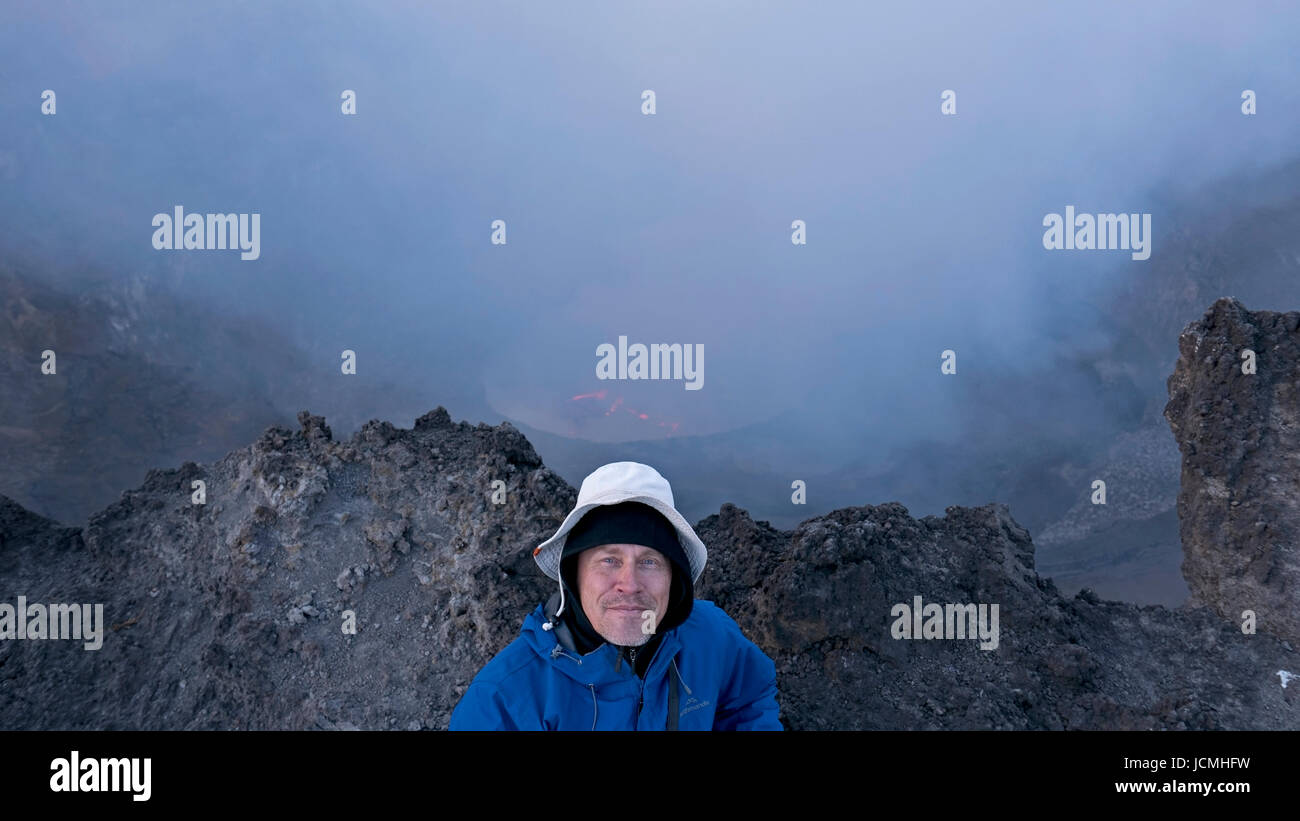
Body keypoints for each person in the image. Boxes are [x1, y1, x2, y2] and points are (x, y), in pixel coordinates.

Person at [449, 461, 782, 730]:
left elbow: (748, 701)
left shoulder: (711, 635)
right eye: (609, 560)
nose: (630, 583)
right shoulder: (504, 699)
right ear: (574, 575)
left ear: (673, 577)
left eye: (649, 562)